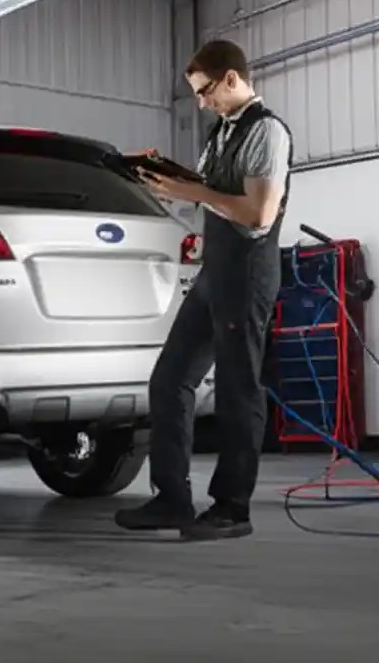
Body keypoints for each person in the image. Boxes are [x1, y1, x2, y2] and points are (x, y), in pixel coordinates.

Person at [116, 39, 293, 541]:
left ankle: (232, 509)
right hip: (215, 276)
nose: (201, 102)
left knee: (239, 391)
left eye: (205, 91)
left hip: (246, 276)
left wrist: (189, 191)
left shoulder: (267, 132)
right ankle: (171, 498)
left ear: (232, 80)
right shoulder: (222, 133)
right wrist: (171, 176)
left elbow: (257, 214)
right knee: (170, 379)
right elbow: (218, 194)